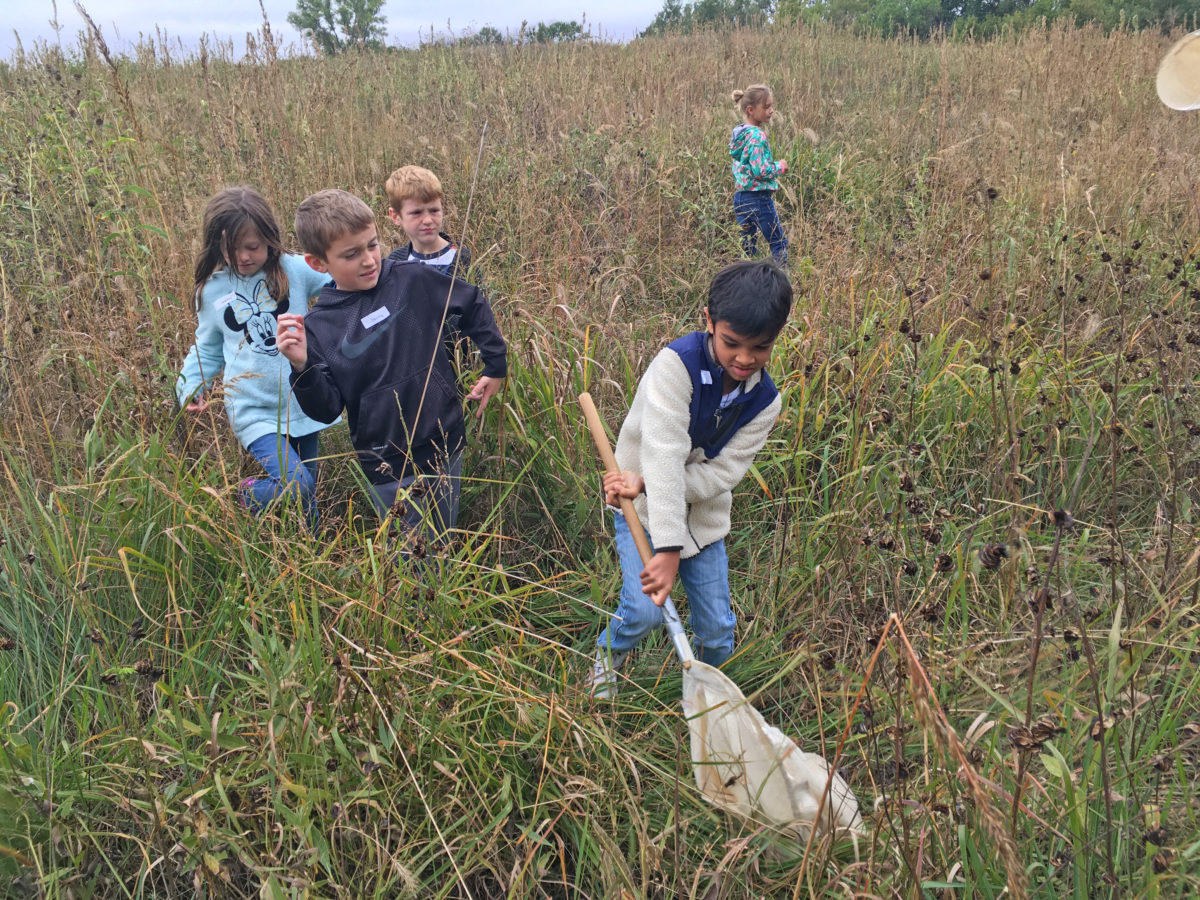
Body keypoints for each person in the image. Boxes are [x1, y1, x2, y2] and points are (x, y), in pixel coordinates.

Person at [587, 261, 794, 699]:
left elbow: (725, 473)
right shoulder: (675, 367)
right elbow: (661, 455)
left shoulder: (765, 402)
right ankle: (608, 656)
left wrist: (671, 528)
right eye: (731, 343)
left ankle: (711, 699)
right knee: (644, 611)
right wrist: (666, 547)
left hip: (703, 522)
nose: (744, 359)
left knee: (718, 630)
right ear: (709, 322)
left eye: (760, 348)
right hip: (642, 509)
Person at [276, 189, 507, 543]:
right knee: (412, 555)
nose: (369, 260)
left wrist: (495, 365)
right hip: (386, 465)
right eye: (351, 254)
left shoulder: (412, 279)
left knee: (444, 540)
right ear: (318, 264)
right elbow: (325, 409)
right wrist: (301, 365)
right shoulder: (319, 327)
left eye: (372, 245)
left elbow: (472, 302)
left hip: (445, 442)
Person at [175, 186, 335, 524]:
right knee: (296, 484)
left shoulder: (295, 269)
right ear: (216, 245)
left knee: (307, 491)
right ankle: (245, 495)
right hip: (251, 406)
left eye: (253, 247)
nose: (244, 257)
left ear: (270, 240)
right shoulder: (212, 290)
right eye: (232, 249)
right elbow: (206, 348)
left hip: (302, 398)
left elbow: (340, 281)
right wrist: (191, 384)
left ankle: (315, 550)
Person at [730, 84, 788, 267]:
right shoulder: (756, 136)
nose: (771, 111)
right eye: (766, 107)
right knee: (777, 242)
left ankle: (744, 282)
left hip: (741, 198)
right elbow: (760, 171)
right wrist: (780, 166)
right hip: (759, 199)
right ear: (750, 110)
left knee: (746, 247)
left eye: (771, 106)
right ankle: (784, 281)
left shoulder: (739, 134)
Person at [384, 165, 472, 280]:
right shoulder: (395, 262)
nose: (428, 220)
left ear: (442, 208)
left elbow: (480, 297)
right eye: (416, 213)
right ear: (395, 216)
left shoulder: (462, 258)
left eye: (434, 210)